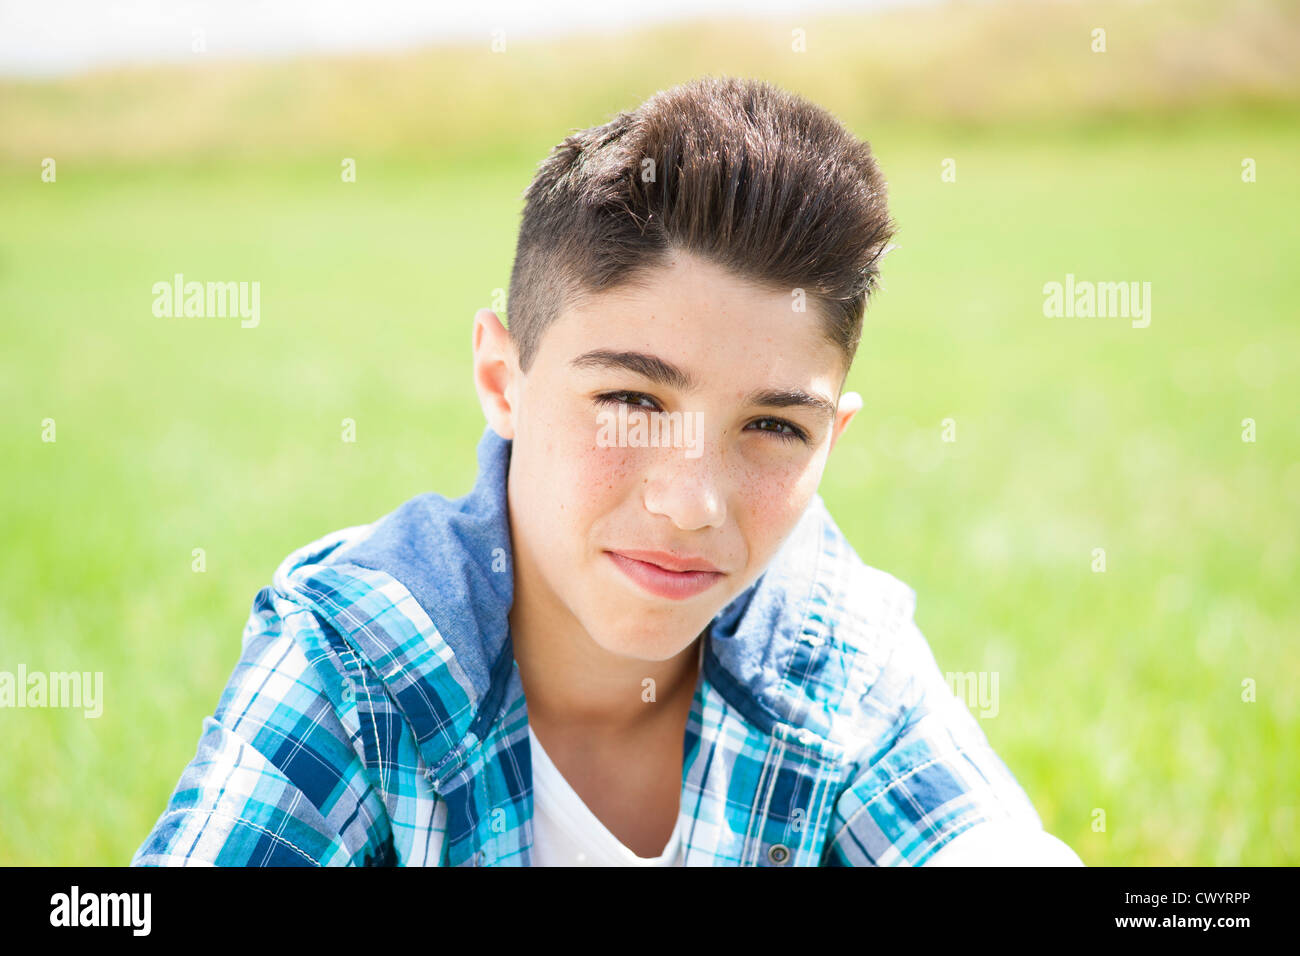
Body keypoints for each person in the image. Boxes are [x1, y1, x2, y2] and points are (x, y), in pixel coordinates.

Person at [132, 75, 1082, 866]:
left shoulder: (837, 658)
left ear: (833, 440)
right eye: (632, 402)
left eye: (773, 427)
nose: (691, 503)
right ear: (503, 380)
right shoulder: (361, 666)